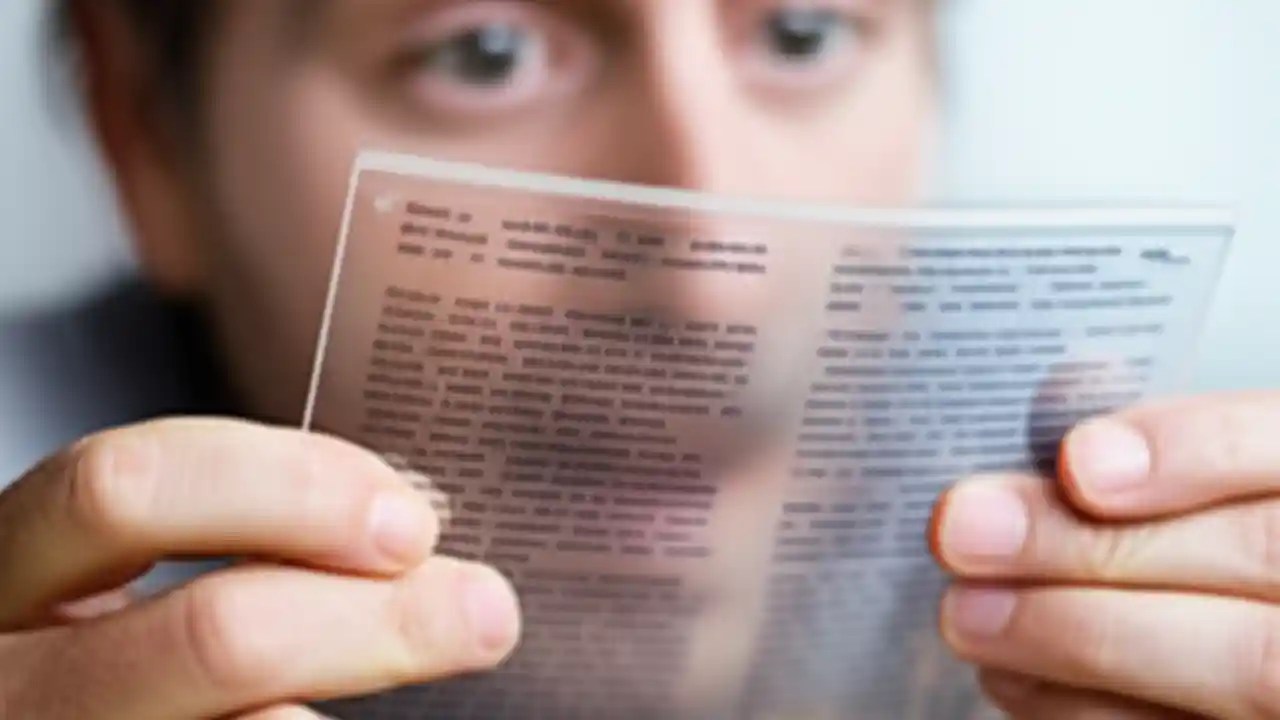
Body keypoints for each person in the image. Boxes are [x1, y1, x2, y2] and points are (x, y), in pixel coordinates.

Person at [0, 1, 1274, 718]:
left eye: (801, 32)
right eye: (483, 53)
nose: (709, 268)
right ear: (144, 137)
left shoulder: (1195, 522)